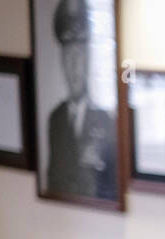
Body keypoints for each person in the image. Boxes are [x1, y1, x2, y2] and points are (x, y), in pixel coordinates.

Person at [45, 0, 117, 201]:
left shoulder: (106, 121)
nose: (74, 66)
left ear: (88, 59)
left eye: (80, 54)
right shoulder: (55, 120)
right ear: (61, 60)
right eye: (69, 55)